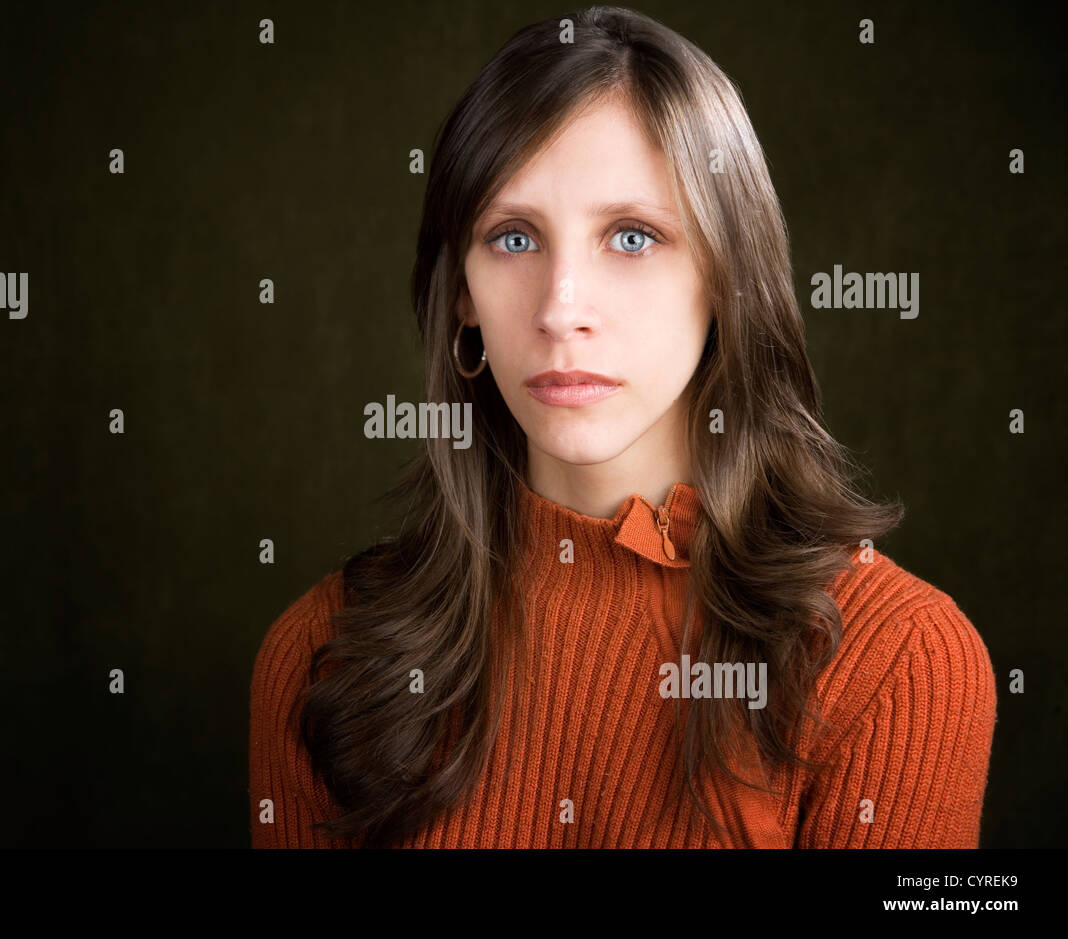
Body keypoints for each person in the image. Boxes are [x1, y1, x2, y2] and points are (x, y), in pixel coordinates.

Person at [249, 6, 996, 848]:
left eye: (632, 237)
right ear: (460, 292)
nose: (562, 309)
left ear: (727, 279)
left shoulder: (900, 660)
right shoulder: (322, 655)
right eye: (513, 236)